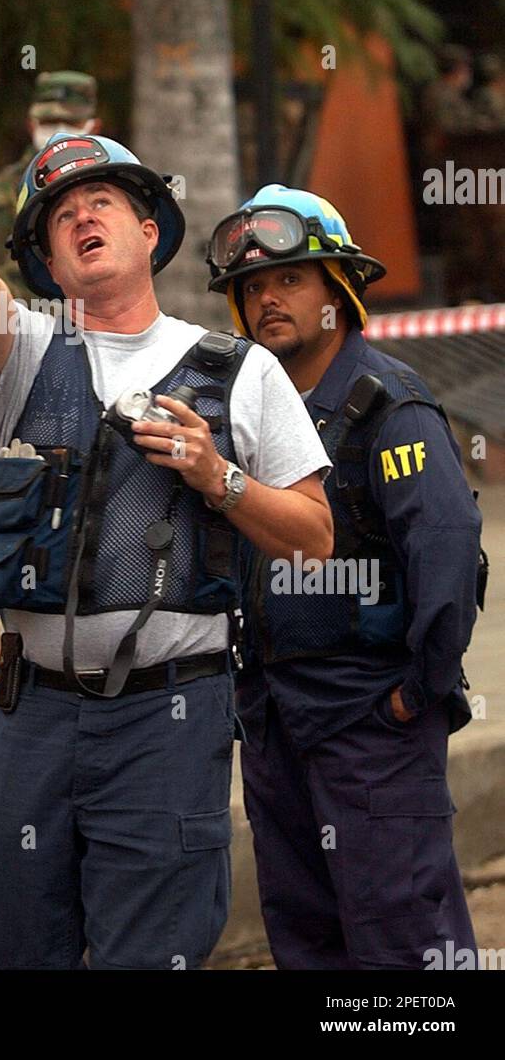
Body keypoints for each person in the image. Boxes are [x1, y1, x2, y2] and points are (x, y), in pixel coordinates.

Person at [0, 104, 332, 970]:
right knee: (14, 941)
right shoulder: (26, 353)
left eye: (100, 202)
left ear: (148, 231)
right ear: (50, 263)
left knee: (155, 949)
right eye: (62, 216)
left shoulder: (237, 370)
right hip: (30, 716)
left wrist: (220, 477)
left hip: (167, 718)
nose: (82, 217)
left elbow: (313, 537)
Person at [206, 184, 483, 970]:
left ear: (340, 291)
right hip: (274, 723)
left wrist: (417, 693)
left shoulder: (389, 405)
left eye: (289, 280)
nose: (268, 300)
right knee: (305, 937)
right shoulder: (251, 414)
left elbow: (449, 544)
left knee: (402, 938)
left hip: (371, 723)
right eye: (253, 288)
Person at [0, 70, 100, 298]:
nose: (59, 130)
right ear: (32, 125)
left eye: (71, 122)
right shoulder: (6, 188)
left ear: (94, 127)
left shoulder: (111, 181)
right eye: (49, 122)